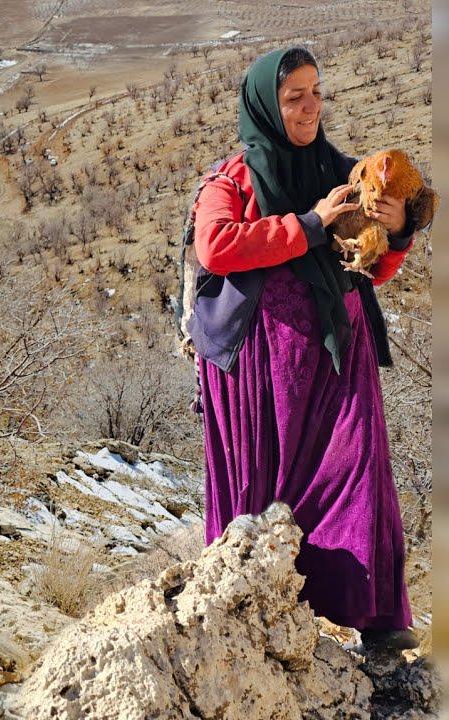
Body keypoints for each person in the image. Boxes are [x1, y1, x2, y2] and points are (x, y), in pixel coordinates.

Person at [189, 47, 420, 651]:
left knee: (358, 464)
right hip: (258, 363)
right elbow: (215, 247)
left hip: (336, 350)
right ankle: (246, 611)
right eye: (295, 97)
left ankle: (376, 618)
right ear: (268, 104)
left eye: (316, 92)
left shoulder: (344, 173)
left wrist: (395, 228)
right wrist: (309, 223)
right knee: (261, 491)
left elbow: (372, 264)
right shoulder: (231, 178)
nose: (311, 106)